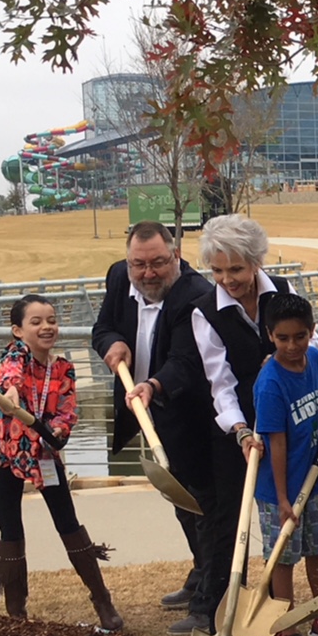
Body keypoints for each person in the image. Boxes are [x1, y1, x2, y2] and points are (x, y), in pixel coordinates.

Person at [163, 214, 295, 635]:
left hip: (285, 426)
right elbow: (219, 383)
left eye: (235, 269)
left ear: (256, 261)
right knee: (226, 517)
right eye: (217, 270)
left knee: (285, 514)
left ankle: (281, 606)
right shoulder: (203, 313)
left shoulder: (285, 294)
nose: (226, 279)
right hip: (233, 428)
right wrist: (240, 431)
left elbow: (306, 353)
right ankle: (212, 607)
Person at [91, 221, 215, 612]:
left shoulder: (195, 294)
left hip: (192, 414)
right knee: (179, 501)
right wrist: (112, 345)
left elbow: (185, 361)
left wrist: (153, 386)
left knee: (202, 504)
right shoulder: (118, 277)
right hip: (149, 413)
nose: (147, 273)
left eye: (158, 263)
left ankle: (213, 593)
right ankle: (201, 576)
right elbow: (103, 328)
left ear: (176, 255)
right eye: (138, 264)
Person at [0, 294, 123, 631]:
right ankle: (17, 614)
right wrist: (12, 392)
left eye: (51, 320)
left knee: (69, 524)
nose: (46, 327)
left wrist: (59, 431)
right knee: (10, 528)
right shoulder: (13, 359)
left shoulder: (62, 368)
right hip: (7, 454)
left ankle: (102, 600)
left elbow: (67, 409)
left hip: (46, 454)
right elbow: (9, 375)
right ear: (18, 330)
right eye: (36, 322)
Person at [253, 292, 318, 636]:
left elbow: (317, 397)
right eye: (283, 339)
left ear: (312, 332)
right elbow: (275, 444)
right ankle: (285, 627)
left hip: (312, 479)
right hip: (277, 489)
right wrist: (281, 500)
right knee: (283, 556)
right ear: (270, 335)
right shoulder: (270, 384)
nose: (293, 346)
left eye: (300, 336)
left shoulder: (314, 359)